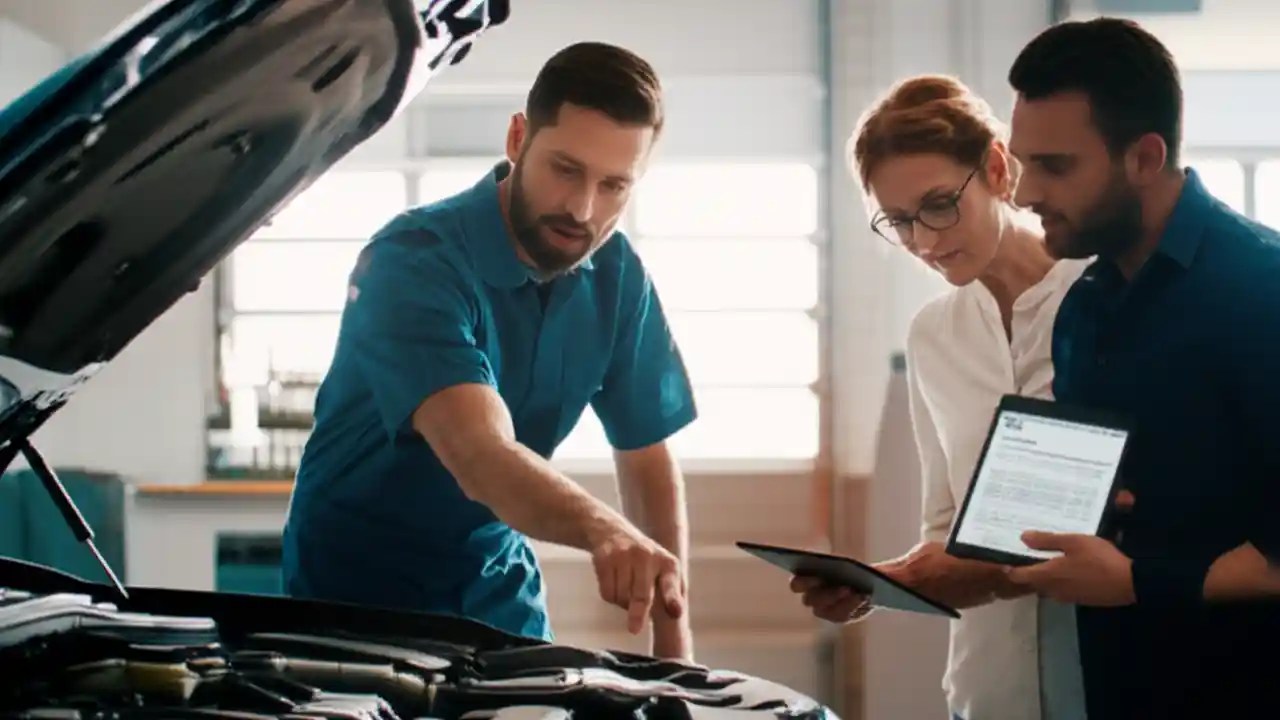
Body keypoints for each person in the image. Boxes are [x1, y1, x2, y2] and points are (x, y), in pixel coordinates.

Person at [280, 41, 698, 661]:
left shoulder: (617, 276)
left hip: (495, 591)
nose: (583, 208)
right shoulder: (412, 260)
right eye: (566, 169)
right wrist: (603, 529)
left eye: (613, 185)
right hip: (353, 600)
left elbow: (645, 457)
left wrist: (675, 646)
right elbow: (479, 454)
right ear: (517, 138)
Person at [1000, 16, 1280, 719]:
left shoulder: (1264, 292)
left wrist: (1136, 580)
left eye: (1054, 165)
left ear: (1145, 158)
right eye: (1021, 161)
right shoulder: (1081, 310)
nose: (1023, 193)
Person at [789, 75, 1093, 720]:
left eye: (938, 204)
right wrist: (886, 583)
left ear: (997, 169)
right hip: (987, 693)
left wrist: (959, 566)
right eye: (899, 221)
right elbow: (948, 527)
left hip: (1107, 686)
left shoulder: (1103, 299)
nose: (924, 241)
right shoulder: (934, 334)